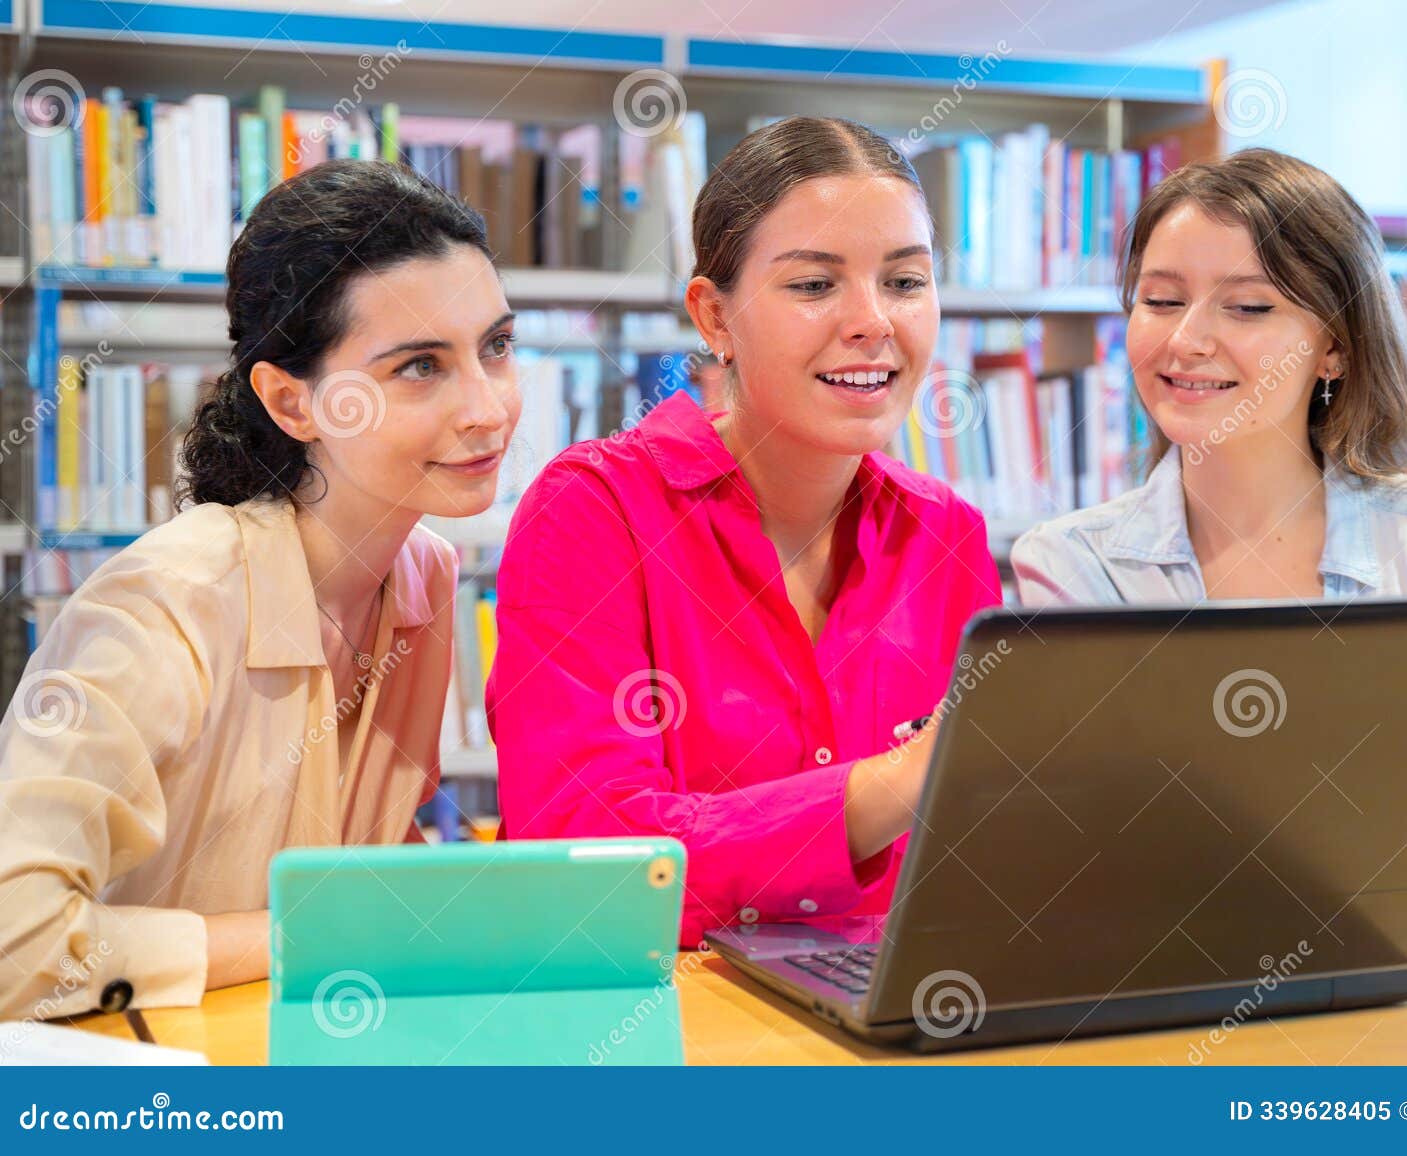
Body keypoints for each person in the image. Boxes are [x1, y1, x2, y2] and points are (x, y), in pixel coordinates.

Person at [0, 160, 522, 1019]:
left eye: (495, 346)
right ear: (291, 402)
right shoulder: (165, 603)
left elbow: (361, 856)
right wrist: (317, 933)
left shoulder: (423, 574)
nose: (489, 408)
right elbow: (14, 945)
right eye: (420, 367)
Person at [1012, 148, 1407, 903]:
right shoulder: (1072, 567)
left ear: (1334, 348)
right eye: (1160, 300)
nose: (1186, 339)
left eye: (1248, 307)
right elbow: (1079, 824)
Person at [490, 117, 1001, 946]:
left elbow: (979, 854)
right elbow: (582, 859)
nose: (873, 321)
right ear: (714, 317)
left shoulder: (946, 535)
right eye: (814, 285)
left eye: (905, 281)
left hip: (895, 1012)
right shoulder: (594, 511)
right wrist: (894, 784)